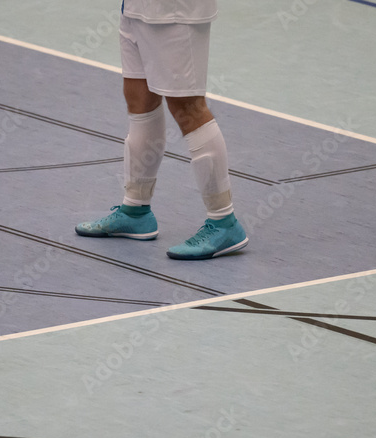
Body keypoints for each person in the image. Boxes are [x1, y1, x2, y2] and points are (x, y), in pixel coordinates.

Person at [75, 0, 248, 260]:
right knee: (139, 99)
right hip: (136, 8)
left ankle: (224, 221)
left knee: (187, 106)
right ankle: (136, 211)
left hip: (175, 12)